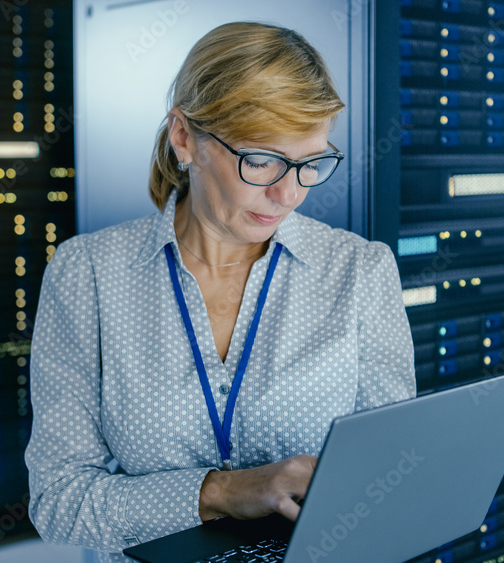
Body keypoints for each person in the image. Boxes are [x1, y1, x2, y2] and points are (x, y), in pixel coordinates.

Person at [24, 21, 415, 562]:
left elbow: (389, 477)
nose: (287, 193)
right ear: (184, 137)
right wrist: (223, 492)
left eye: (311, 164)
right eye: (262, 160)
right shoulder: (87, 274)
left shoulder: (360, 270)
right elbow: (59, 502)